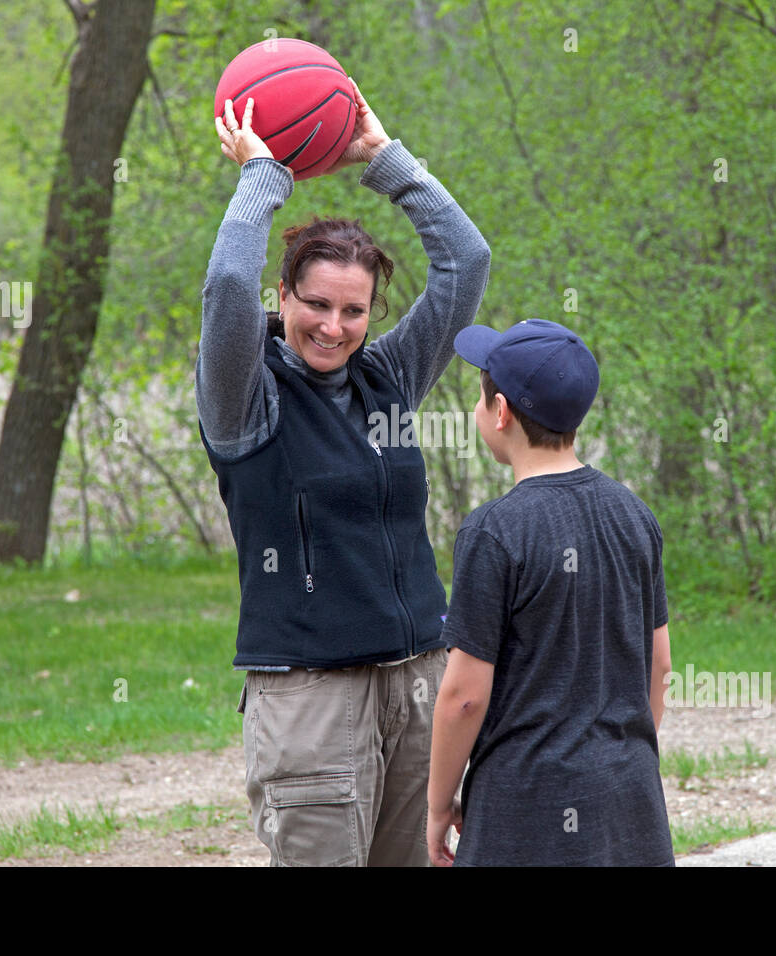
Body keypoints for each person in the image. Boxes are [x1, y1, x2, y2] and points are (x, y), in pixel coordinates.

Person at [198, 83, 491, 866]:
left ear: (372, 314)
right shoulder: (245, 395)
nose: (333, 326)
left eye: (353, 311)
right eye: (315, 304)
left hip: (419, 682)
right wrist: (262, 178)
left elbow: (467, 261)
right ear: (284, 295)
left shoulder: (389, 375)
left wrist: (387, 161)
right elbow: (227, 287)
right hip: (310, 695)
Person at [426, 319, 675, 866]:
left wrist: (439, 804)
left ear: (500, 413)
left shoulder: (494, 531)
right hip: (630, 801)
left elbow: (464, 696)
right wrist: (621, 757)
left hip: (525, 808)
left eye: (481, 395)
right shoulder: (636, 516)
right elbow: (659, 665)